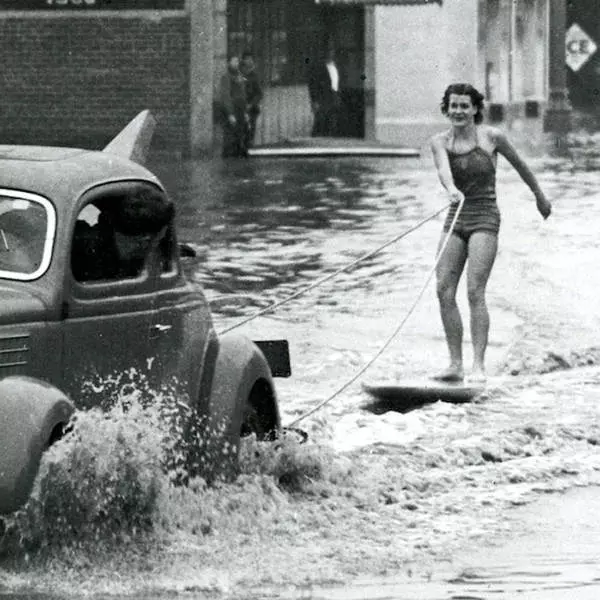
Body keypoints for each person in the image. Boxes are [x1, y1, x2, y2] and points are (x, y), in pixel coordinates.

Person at [430, 82, 552, 384]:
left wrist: (540, 197)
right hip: (455, 216)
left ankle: (478, 366)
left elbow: (522, 167)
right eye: (454, 106)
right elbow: (445, 172)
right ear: (447, 109)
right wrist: (451, 189)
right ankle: (455, 364)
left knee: (474, 291)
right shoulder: (439, 141)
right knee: (443, 288)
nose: (459, 111)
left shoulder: (492, 137)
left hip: (484, 217)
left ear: (474, 109)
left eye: (464, 106)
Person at [217, 55, 249, 158]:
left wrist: (245, 112)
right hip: (232, 111)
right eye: (233, 61)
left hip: (240, 110)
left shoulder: (239, 76)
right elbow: (225, 96)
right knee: (230, 138)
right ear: (228, 63)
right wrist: (230, 113)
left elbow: (243, 95)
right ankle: (227, 161)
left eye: (237, 61)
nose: (236, 63)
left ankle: (236, 161)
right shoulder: (226, 77)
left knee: (239, 136)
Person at [308, 42, 342, 137]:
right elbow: (313, 84)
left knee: (332, 122)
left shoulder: (336, 66)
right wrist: (314, 100)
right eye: (328, 51)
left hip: (334, 96)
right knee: (320, 122)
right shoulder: (318, 67)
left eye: (332, 51)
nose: (331, 53)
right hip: (323, 98)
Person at [240, 50, 263, 149]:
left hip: (251, 109)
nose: (249, 61)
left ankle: (248, 147)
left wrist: (251, 104)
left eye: (251, 59)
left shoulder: (254, 76)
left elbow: (259, 94)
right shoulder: (238, 74)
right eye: (247, 59)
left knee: (250, 131)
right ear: (243, 61)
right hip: (240, 108)